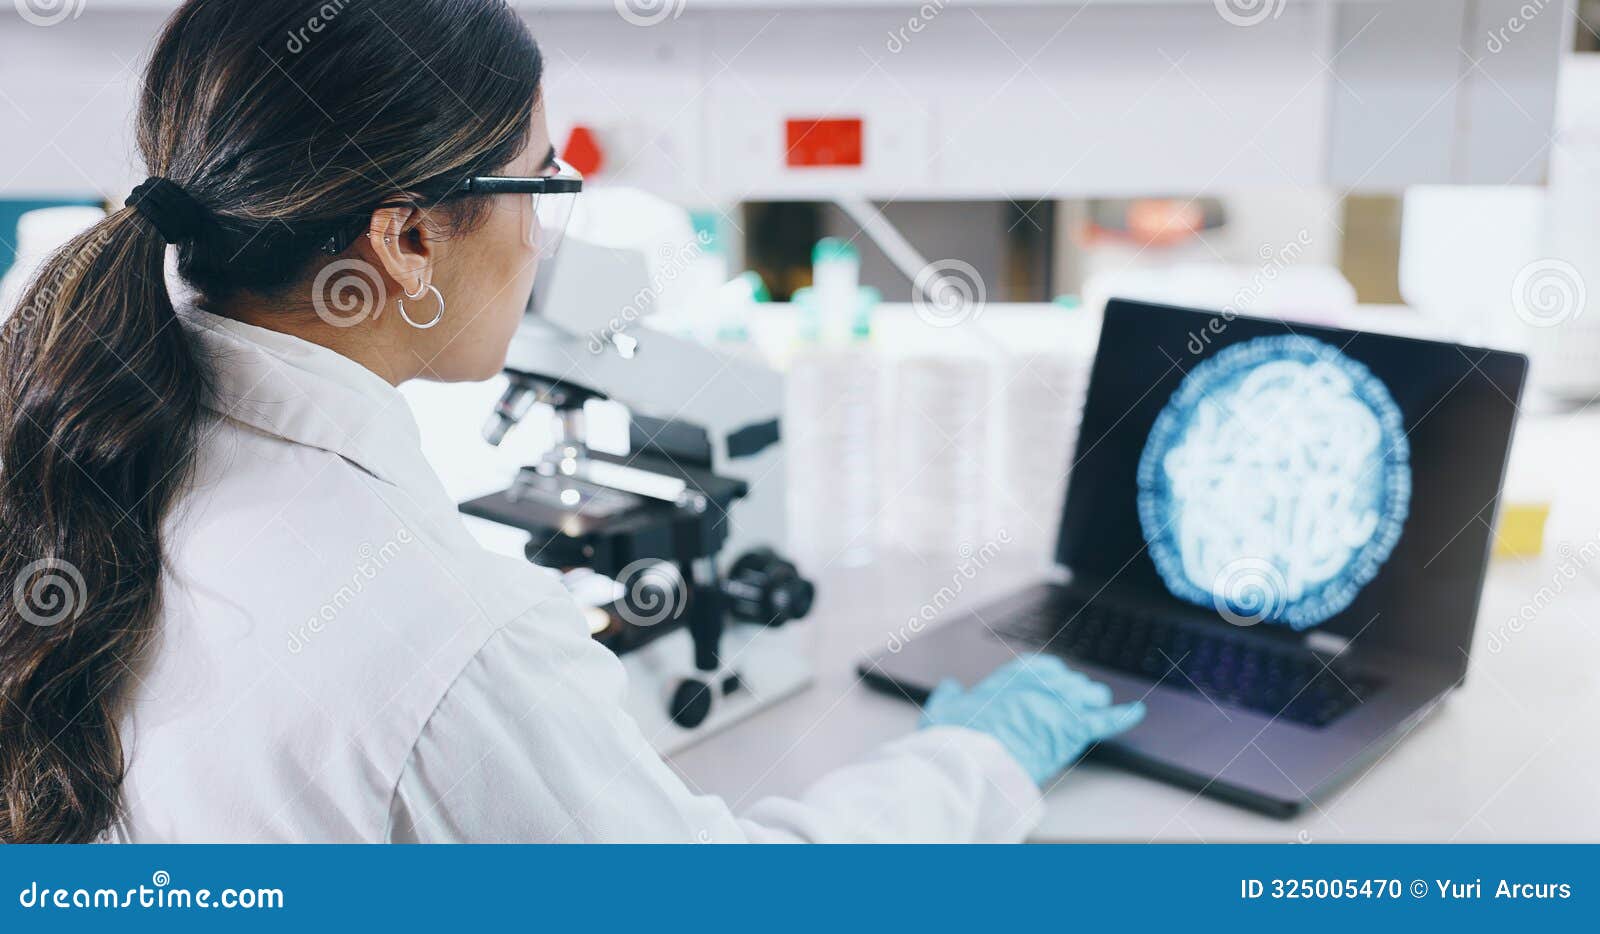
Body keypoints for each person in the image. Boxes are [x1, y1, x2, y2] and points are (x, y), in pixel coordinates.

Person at [0, 0, 1142, 844]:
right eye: (542, 185)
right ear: (408, 241)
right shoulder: (455, 642)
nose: (543, 240)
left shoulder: (107, 441)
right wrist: (975, 764)